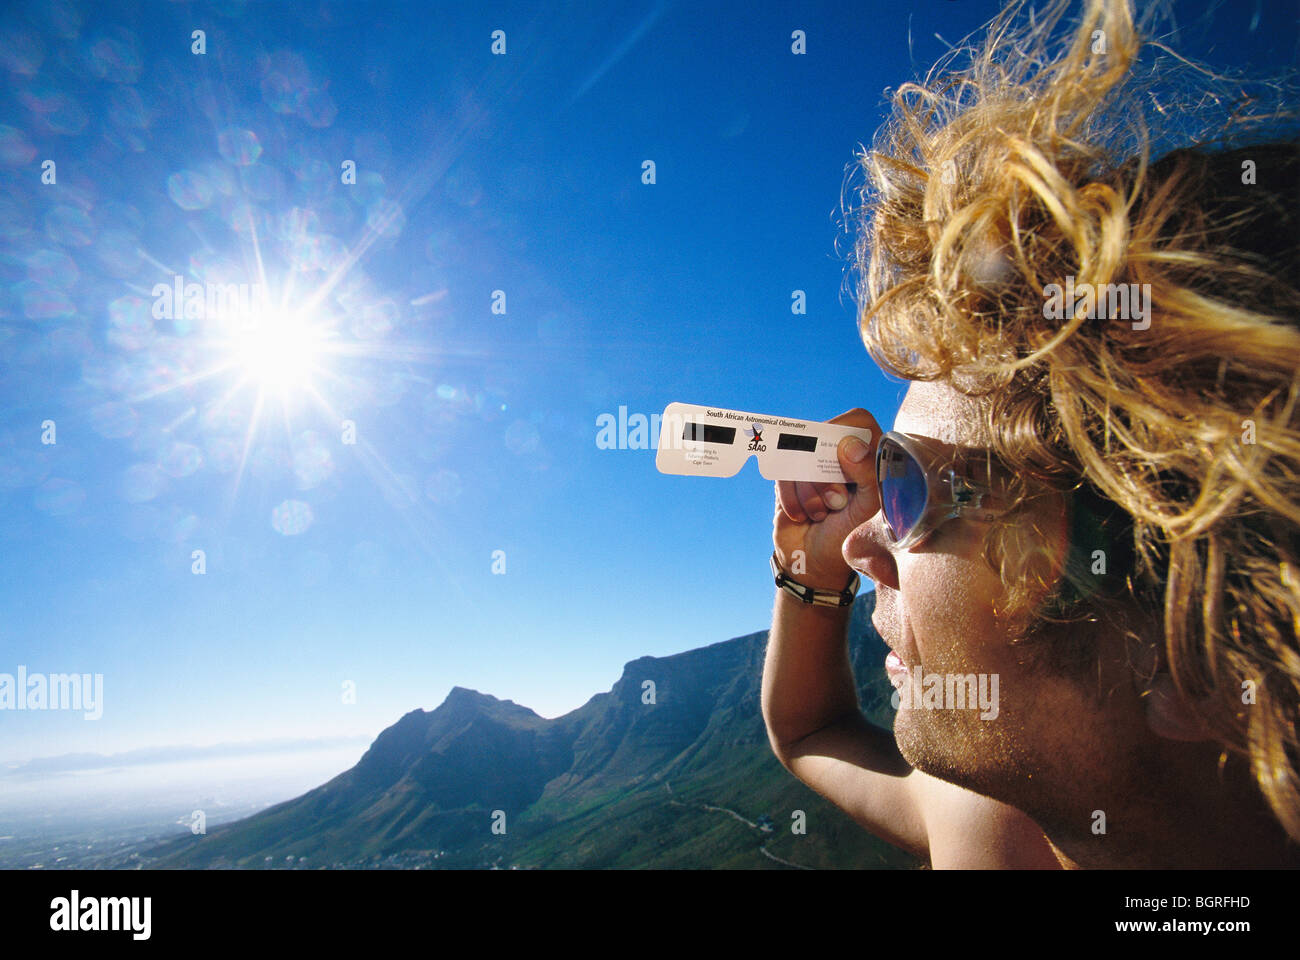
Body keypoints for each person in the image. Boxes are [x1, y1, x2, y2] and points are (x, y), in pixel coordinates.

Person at [762, 0, 1300, 868]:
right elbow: (811, 729)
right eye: (888, 473)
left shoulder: (988, 838)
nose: (861, 542)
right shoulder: (989, 820)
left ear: (1191, 652)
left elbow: (808, 735)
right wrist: (806, 574)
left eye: (910, 490)